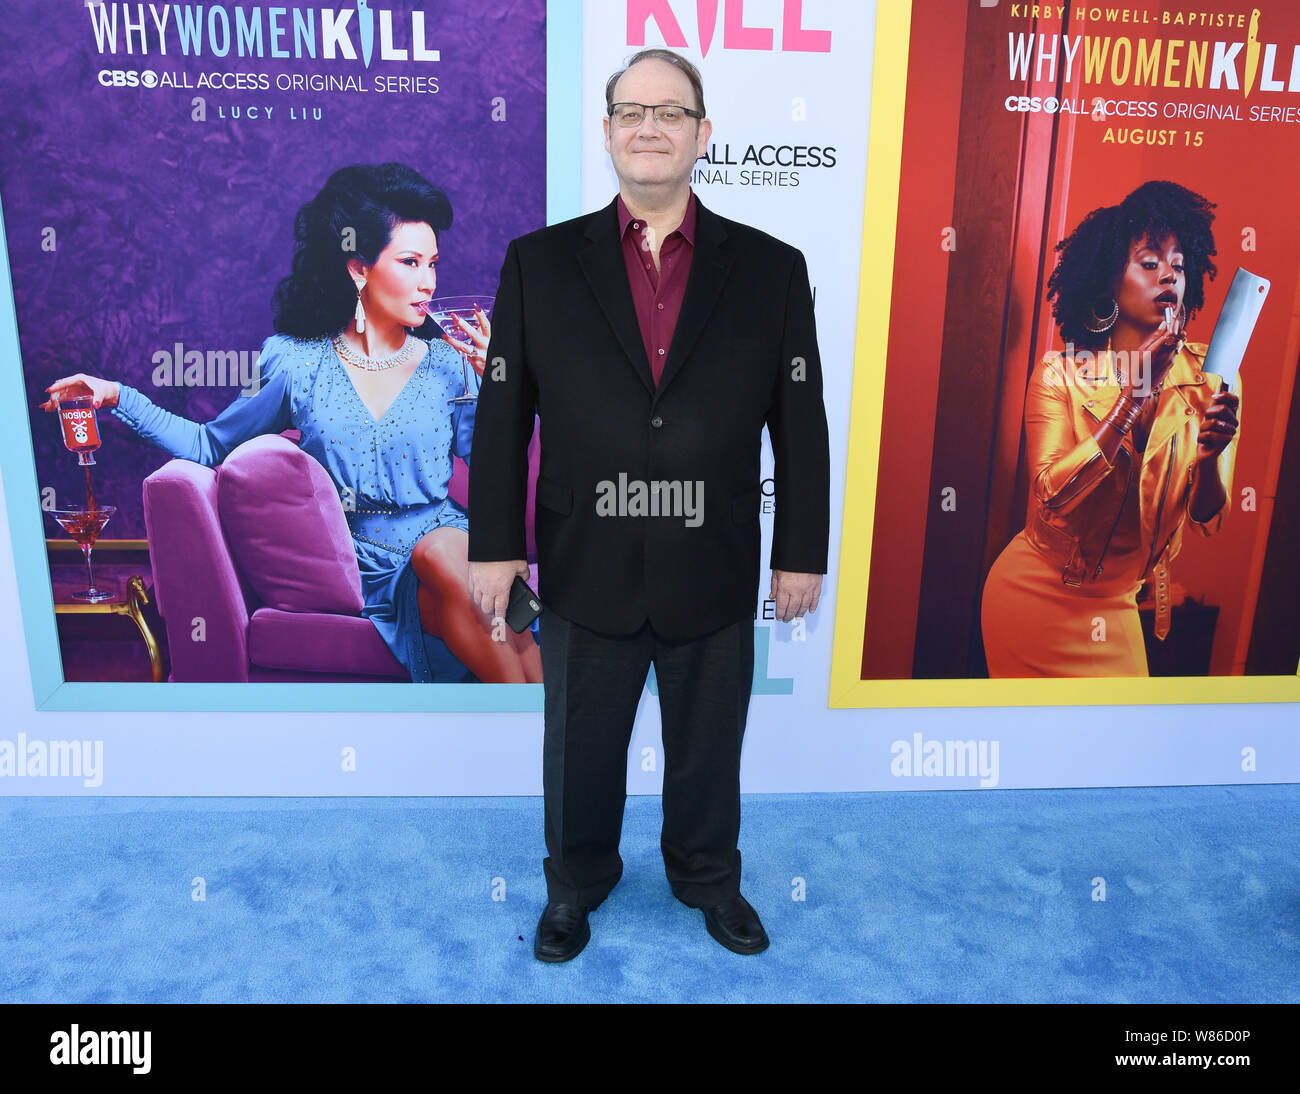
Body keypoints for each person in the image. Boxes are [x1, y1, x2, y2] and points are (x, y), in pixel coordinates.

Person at [467, 49, 830, 960]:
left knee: (710, 744)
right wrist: (495, 544)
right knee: (578, 747)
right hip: (585, 556)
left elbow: (802, 421)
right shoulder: (539, 264)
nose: (650, 128)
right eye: (633, 112)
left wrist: (802, 551)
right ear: (607, 134)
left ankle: (708, 876)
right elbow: (503, 415)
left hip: (713, 559)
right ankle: (574, 883)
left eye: (671, 113)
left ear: (704, 135)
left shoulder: (772, 269)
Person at [41, 163, 542, 684]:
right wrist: (117, 396)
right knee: (479, 608)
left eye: (434, 264)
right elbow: (210, 445)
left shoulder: (450, 361)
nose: (429, 283)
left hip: (450, 549)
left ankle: (538, 744)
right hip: (372, 569)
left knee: (452, 565)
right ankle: (541, 744)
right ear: (358, 269)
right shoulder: (293, 362)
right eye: (411, 262)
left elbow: (495, 468)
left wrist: (497, 385)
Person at [981, 180, 1240, 677]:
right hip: (1033, 596)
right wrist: (1131, 400)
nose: (1168, 274)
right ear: (1109, 281)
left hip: (1117, 605)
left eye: (1179, 265)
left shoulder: (1214, 381)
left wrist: (1209, 459)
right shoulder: (1061, 374)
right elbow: (1051, 494)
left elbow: (1209, 519)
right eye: (1149, 263)